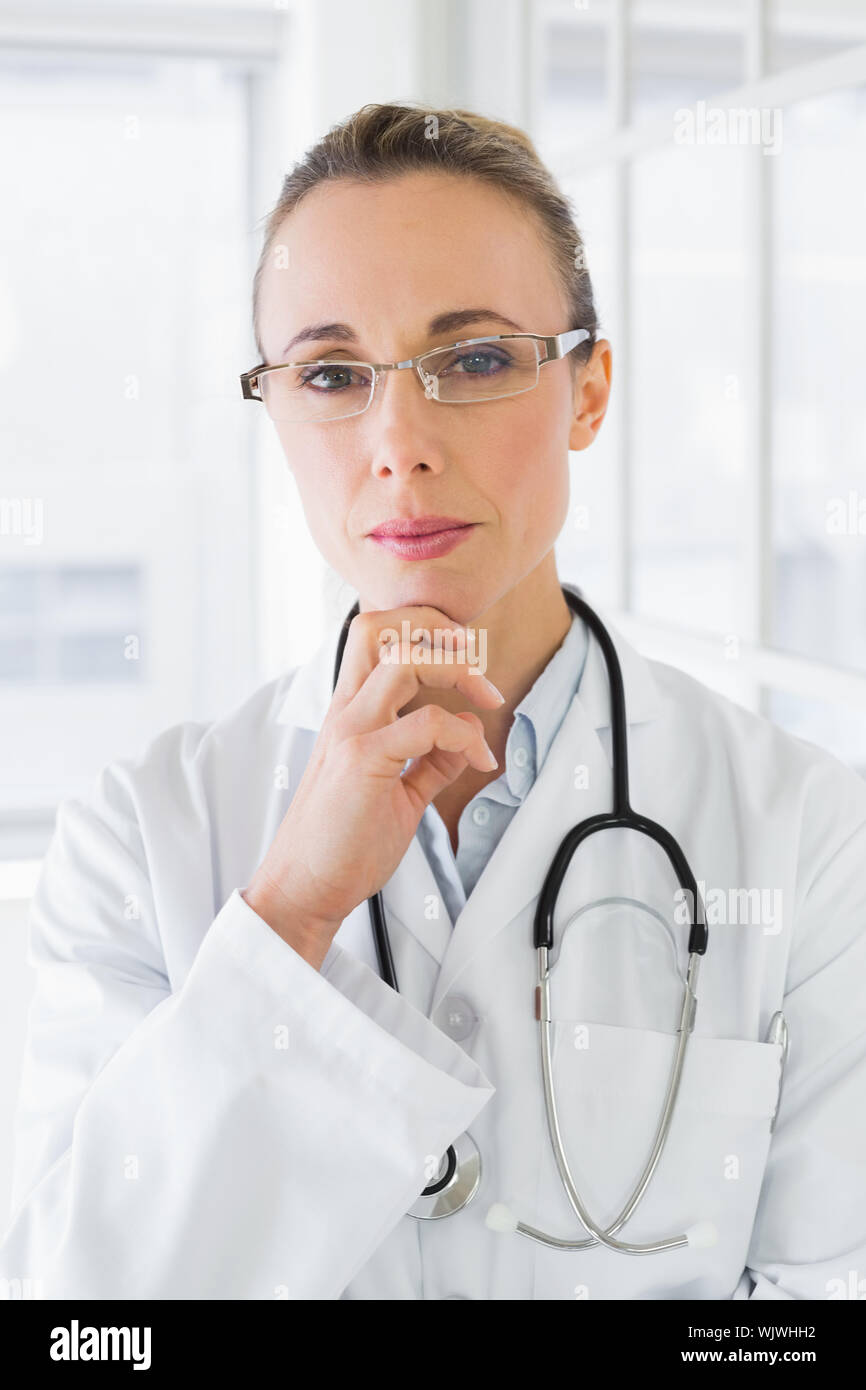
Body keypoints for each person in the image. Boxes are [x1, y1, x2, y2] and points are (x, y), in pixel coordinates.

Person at [2, 102, 865, 1301]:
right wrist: (291, 915)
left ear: (587, 391)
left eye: (471, 360)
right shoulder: (139, 837)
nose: (398, 443)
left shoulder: (810, 834)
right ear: (278, 410)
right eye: (332, 373)